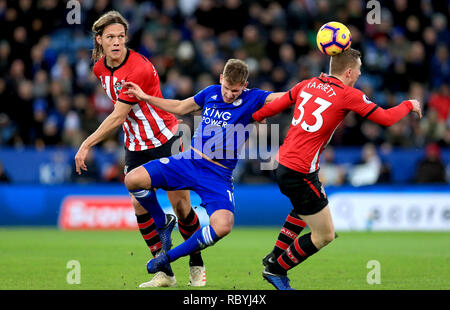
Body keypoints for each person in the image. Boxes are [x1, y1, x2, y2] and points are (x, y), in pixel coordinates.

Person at [252, 48, 422, 290]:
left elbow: (274, 107)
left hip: (283, 165)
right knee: (324, 235)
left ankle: (275, 255)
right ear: (350, 71)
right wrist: (409, 104)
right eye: (360, 70)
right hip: (301, 172)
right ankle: (276, 269)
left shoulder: (308, 83)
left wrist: (254, 116)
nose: (360, 74)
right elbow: (385, 118)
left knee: (304, 209)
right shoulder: (347, 94)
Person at [74, 11, 206, 288]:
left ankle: (196, 262)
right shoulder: (99, 69)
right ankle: (165, 272)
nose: (117, 42)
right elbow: (122, 114)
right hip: (136, 145)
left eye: (121, 36)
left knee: (182, 206)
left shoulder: (139, 68)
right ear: (99, 39)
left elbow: (118, 115)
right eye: (110, 37)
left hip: (167, 139)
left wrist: (85, 143)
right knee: (138, 204)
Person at [122, 59, 284, 278]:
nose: (229, 94)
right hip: (190, 161)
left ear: (244, 85)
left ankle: (167, 258)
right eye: (226, 88)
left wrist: (311, 87)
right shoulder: (210, 92)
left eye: (235, 90)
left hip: (218, 174)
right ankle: (163, 223)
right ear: (221, 80)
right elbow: (180, 106)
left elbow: (286, 97)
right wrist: (146, 97)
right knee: (132, 180)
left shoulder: (253, 98)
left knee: (224, 225)